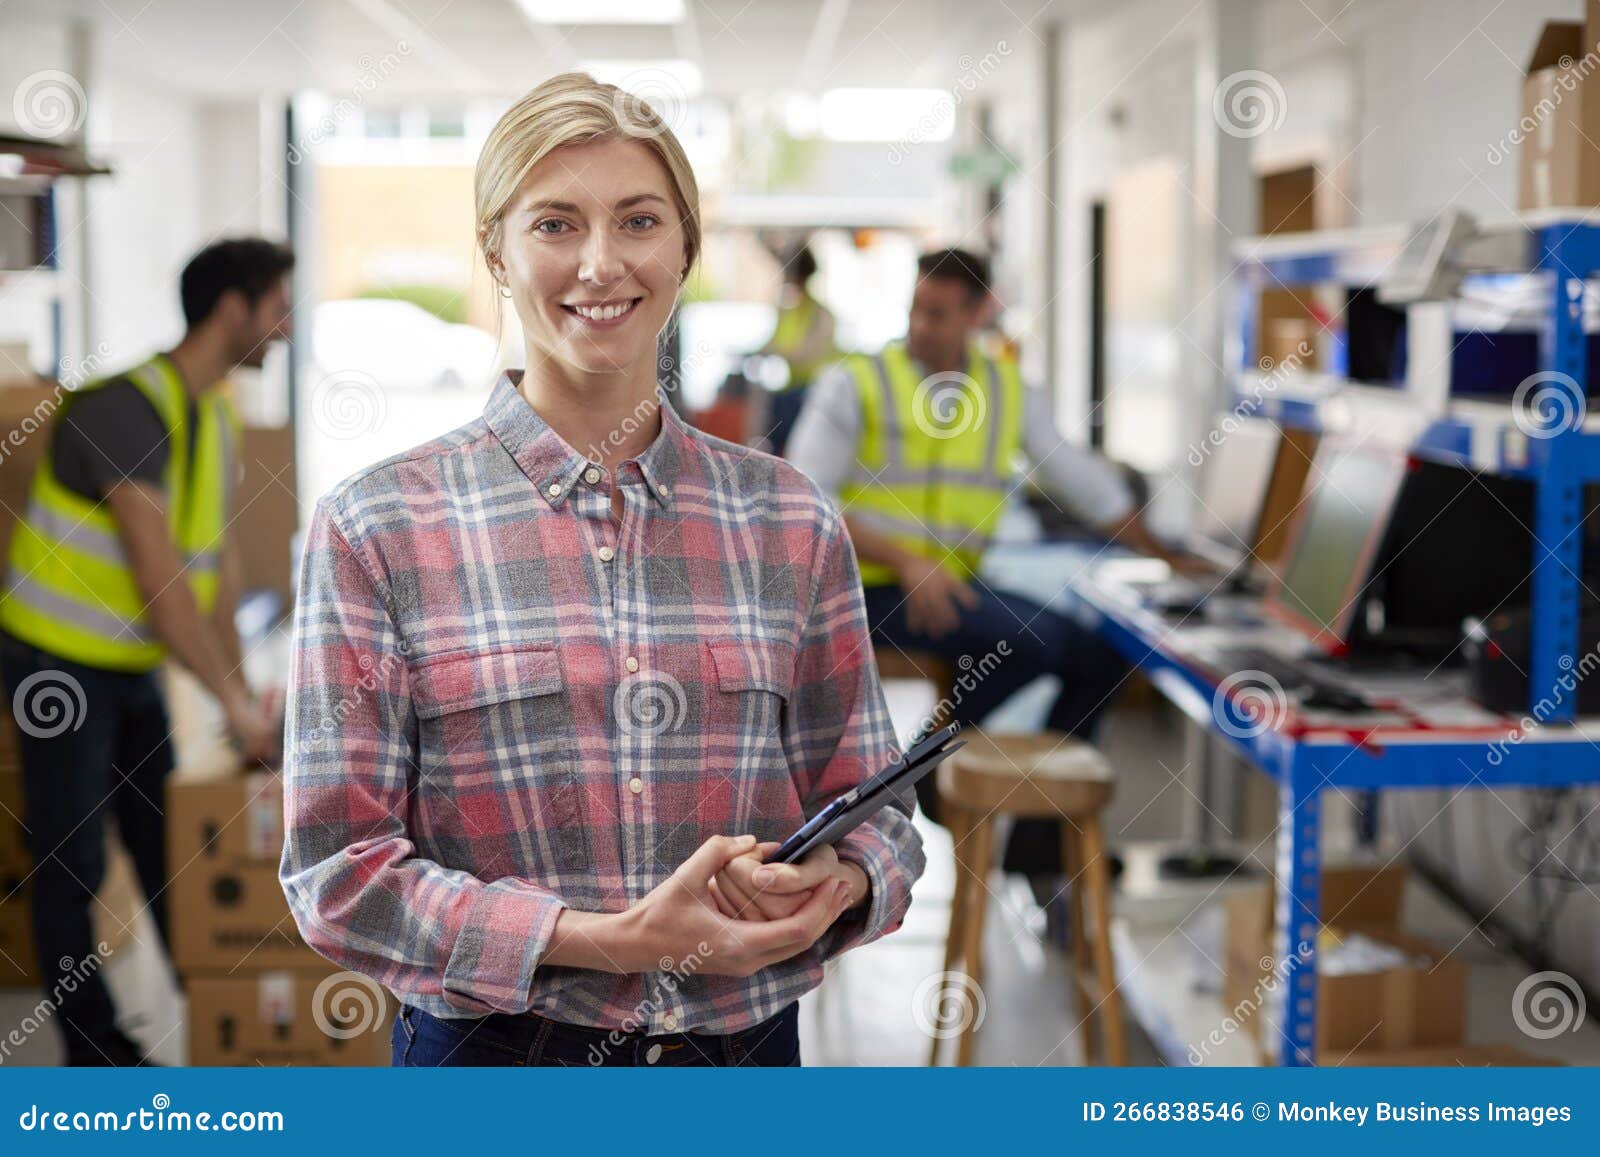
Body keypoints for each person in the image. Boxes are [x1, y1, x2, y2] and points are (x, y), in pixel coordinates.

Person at [278, 72, 925, 1069]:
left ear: (683, 248)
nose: (599, 262)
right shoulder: (377, 527)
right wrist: (608, 940)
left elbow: (879, 812)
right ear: (494, 249)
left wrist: (835, 884)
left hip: (742, 1054)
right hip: (494, 1060)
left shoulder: (789, 518)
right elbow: (338, 873)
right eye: (553, 224)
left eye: (637, 220)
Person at [788, 247, 1182, 879]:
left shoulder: (1006, 390)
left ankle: (1036, 836)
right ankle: (917, 772)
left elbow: (1080, 481)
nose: (922, 324)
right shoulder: (855, 381)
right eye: (917, 308)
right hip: (858, 593)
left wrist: (1161, 551)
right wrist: (908, 559)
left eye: (940, 313)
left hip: (951, 591)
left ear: (978, 314)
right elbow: (805, 497)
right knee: (1033, 643)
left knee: (1100, 652)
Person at [0, 238, 289, 1065]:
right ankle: (94, 1053)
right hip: (55, 663)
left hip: (125, 667)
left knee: (168, 844)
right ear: (232, 308)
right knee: (74, 857)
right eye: (276, 307)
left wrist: (243, 687)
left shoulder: (217, 411)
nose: (284, 328)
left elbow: (217, 567)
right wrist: (229, 706)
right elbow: (162, 579)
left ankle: (221, 1007)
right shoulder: (121, 406)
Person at [755, 243, 838, 456]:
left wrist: (779, 351)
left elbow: (809, 354)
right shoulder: (788, 310)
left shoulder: (820, 314)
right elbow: (771, 342)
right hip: (790, 391)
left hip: (813, 391)